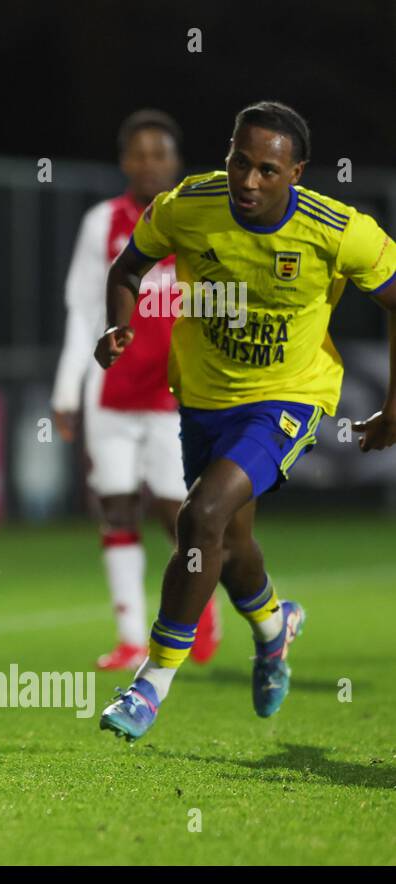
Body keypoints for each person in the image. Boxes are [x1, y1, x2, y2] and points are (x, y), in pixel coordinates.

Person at [97, 102, 396, 741]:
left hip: (288, 399)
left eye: (267, 169)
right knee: (228, 547)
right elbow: (127, 268)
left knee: (198, 516)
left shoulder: (339, 231)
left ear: (297, 173)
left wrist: (395, 405)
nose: (248, 181)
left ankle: (150, 685)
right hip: (204, 399)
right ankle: (273, 626)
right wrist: (117, 324)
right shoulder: (186, 206)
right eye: (239, 161)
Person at [53, 110, 221, 671]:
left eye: (160, 154)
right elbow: (81, 311)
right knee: (118, 506)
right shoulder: (104, 222)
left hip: (178, 396)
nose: (149, 163)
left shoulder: (200, 222)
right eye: (139, 154)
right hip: (111, 394)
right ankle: (130, 635)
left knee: (181, 514)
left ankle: (197, 614)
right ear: (125, 161)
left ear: (177, 162)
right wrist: (68, 389)